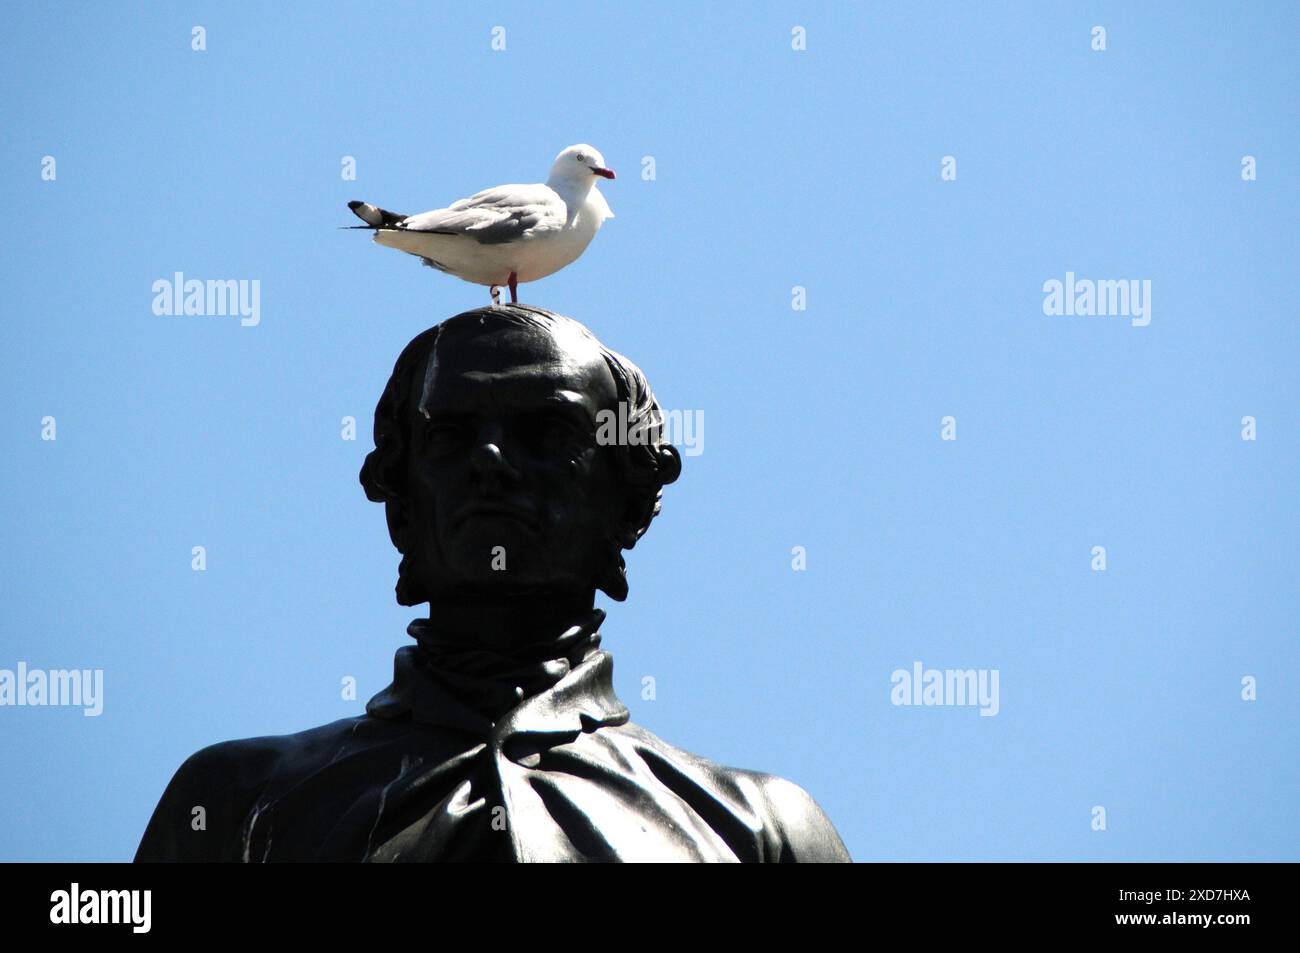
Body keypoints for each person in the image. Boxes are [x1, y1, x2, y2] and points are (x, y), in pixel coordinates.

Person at [135, 305, 850, 862]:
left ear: (626, 504)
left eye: (547, 434)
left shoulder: (758, 830)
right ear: (403, 502)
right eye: (449, 437)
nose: (490, 460)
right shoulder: (241, 802)